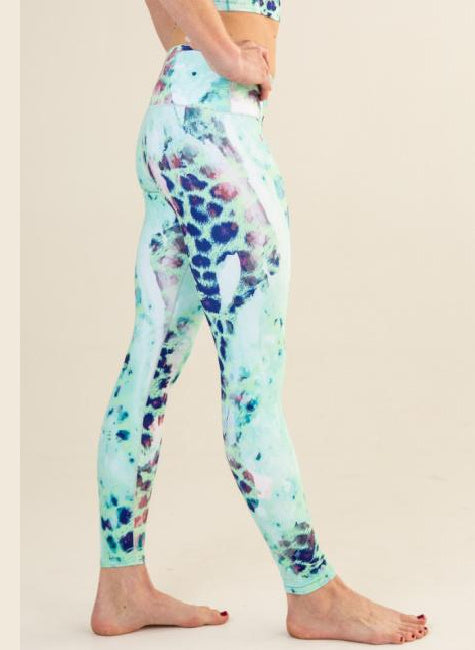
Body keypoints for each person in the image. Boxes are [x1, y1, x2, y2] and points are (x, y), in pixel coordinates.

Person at [90, 1, 429, 643]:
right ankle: (313, 592)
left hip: (171, 124)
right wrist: (226, 56)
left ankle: (121, 585)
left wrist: (209, 52)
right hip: (217, 133)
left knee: (147, 369)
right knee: (253, 386)